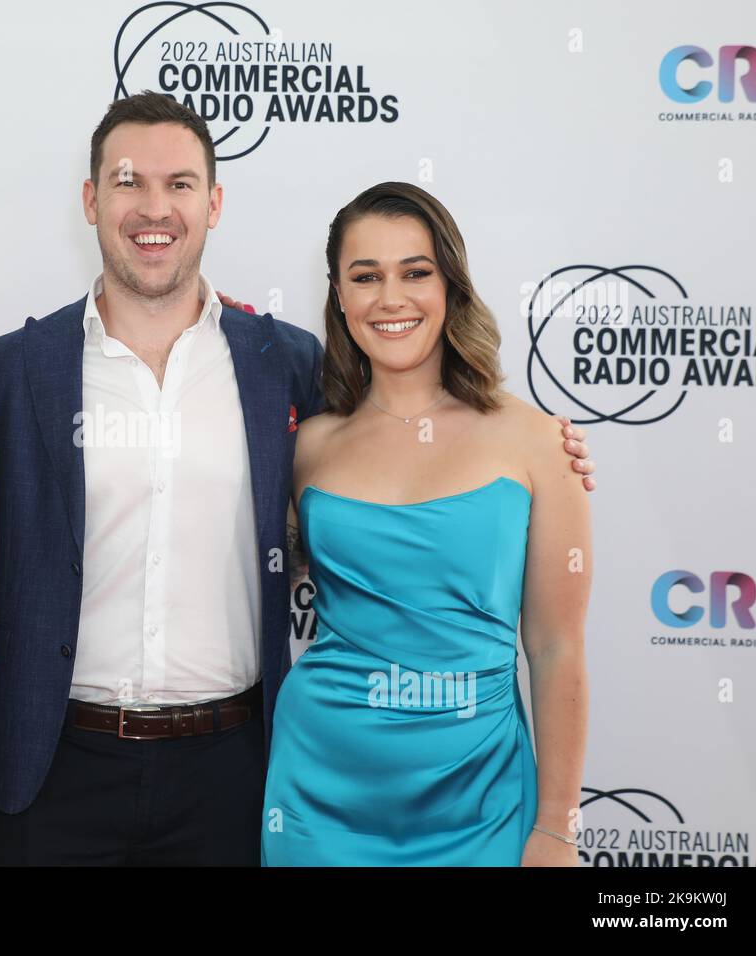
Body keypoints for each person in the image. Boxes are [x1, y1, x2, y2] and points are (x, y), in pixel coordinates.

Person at [0, 96, 595, 865]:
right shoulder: (8, 371)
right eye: (129, 182)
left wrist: (545, 447)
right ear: (90, 199)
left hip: (236, 771)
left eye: (181, 184)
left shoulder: (281, 366)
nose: (154, 207)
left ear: (215, 202)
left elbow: (536, 623)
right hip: (59, 770)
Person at [261, 182, 591, 866]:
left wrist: (558, 825)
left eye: (415, 272)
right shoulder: (310, 444)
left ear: (451, 285)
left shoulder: (537, 443)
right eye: (366, 277)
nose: (391, 298)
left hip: (483, 800)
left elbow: (557, 647)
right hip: (321, 795)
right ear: (339, 295)